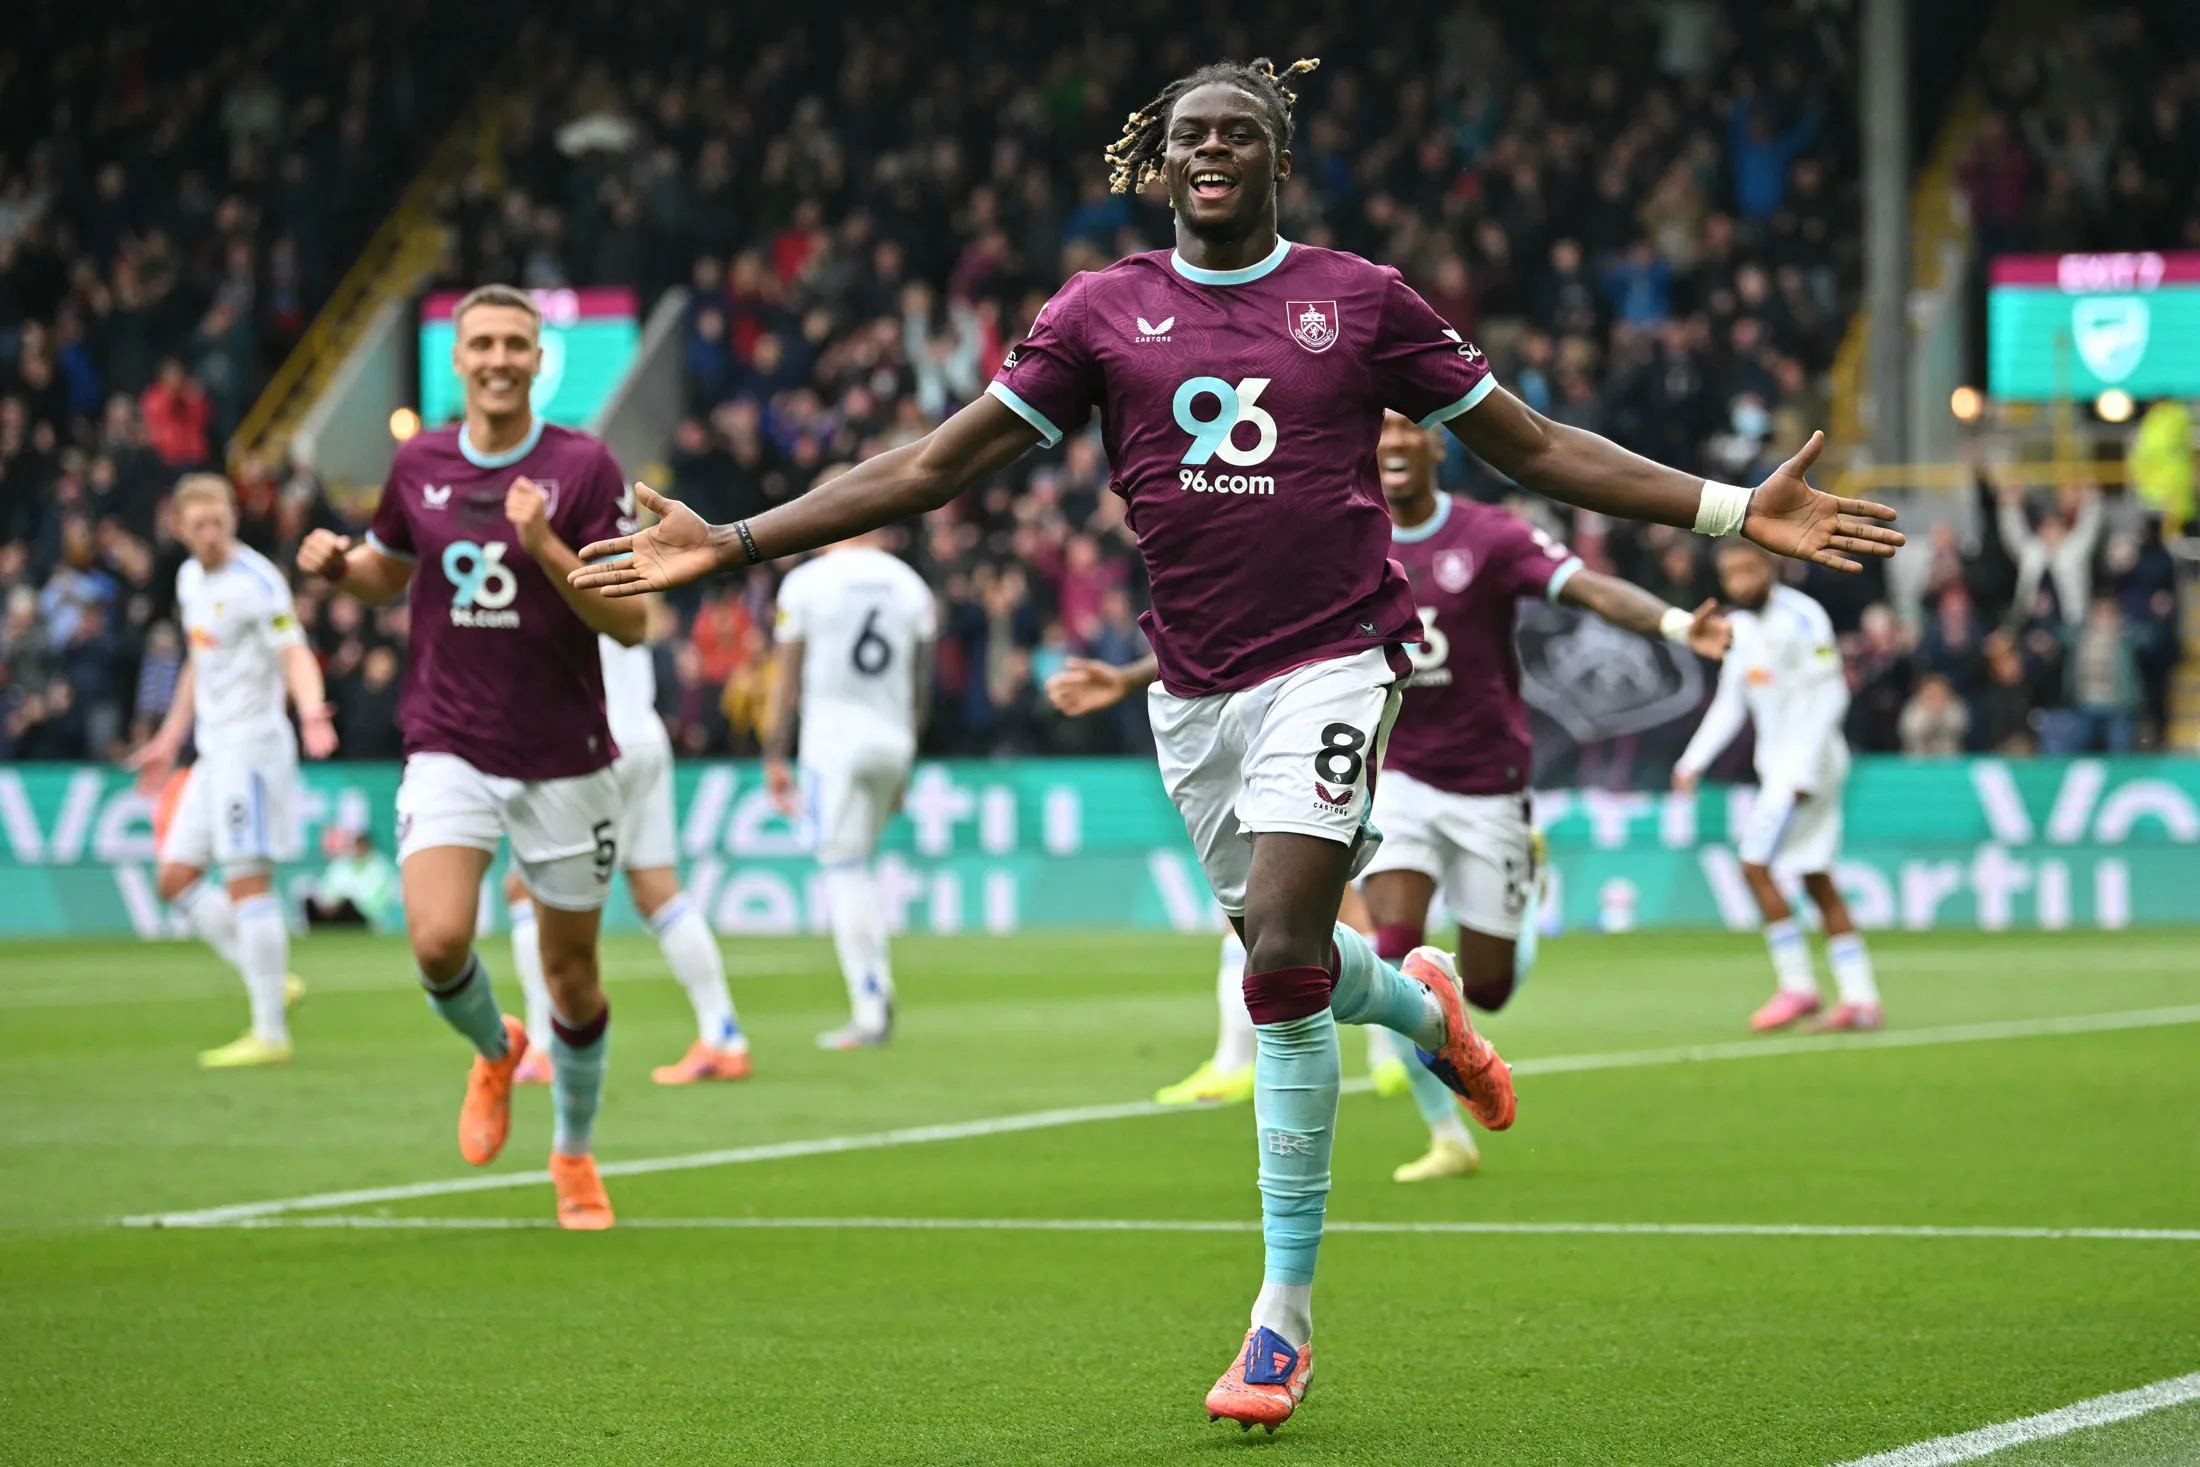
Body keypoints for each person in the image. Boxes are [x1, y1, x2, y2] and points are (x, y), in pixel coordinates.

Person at [567, 57, 1900, 1429]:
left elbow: (1536, 446)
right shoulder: (1098, 312)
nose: (1211, 151)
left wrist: (1731, 510)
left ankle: (1280, 1321)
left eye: (1239, 136)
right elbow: (931, 466)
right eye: (1190, 136)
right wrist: (734, 541)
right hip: (1194, 694)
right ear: (1157, 165)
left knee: (1274, 971)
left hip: (1337, 660)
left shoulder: (1360, 299)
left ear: (1279, 160)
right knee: (1301, 962)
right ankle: (1422, 1006)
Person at [1053, 409, 1733, 1181]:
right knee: (1393, 949)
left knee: (1488, 986)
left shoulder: (1490, 535)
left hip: (1488, 783)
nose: (1398, 441)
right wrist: (1127, 677)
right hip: (1396, 774)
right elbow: (1242, 635)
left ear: (1439, 443)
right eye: (1382, 429)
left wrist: (1676, 623)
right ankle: (1447, 1135)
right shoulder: (1332, 535)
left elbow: (1587, 589)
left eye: (1412, 428)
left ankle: (1521, 900)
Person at [296, 284, 645, 1230]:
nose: (498, 359)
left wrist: (544, 543)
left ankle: (573, 1151)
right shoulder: (421, 461)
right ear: (458, 359)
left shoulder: (583, 466)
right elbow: (387, 569)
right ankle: (496, 1048)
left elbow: (633, 621)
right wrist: (341, 570)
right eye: (481, 343)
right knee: (438, 941)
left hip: (564, 755)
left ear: (538, 360)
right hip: (448, 740)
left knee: (573, 977)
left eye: (514, 345)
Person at [127, 474, 335, 1067]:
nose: (211, 533)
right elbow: (200, 661)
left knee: (247, 881)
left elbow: (294, 651)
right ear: (179, 528)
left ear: (232, 519)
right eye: (199, 524)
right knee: (175, 879)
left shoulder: (257, 582)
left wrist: (313, 711)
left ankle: (270, 1033)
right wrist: (169, 739)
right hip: (213, 752)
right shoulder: (190, 580)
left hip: (253, 751)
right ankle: (267, 976)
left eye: (219, 521)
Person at [508, 625, 752, 1087]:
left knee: (525, 890)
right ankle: (724, 1037)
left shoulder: (540, 573)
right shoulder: (620, 573)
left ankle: (544, 1048)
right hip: (642, 733)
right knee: (656, 889)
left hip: (588, 737)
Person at [1675, 542, 1883, 1033]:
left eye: (1748, 569)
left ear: (1771, 566)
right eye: (1731, 572)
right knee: (1815, 877)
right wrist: (1693, 760)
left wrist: (1803, 771)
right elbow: (1731, 701)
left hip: (1808, 766)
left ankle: (1798, 987)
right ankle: (1861, 998)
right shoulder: (1739, 627)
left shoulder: (1804, 617)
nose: (1740, 581)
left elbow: (1832, 694)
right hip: (1781, 769)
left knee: (1754, 864)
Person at [763, 490, 937, 1050]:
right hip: (893, 742)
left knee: (842, 867)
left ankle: (869, 1002)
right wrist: (908, 758)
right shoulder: (910, 584)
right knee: (856, 864)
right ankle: (875, 986)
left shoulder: (805, 582)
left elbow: (787, 679)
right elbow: (923, 685)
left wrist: (773, 753)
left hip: (832, 746)